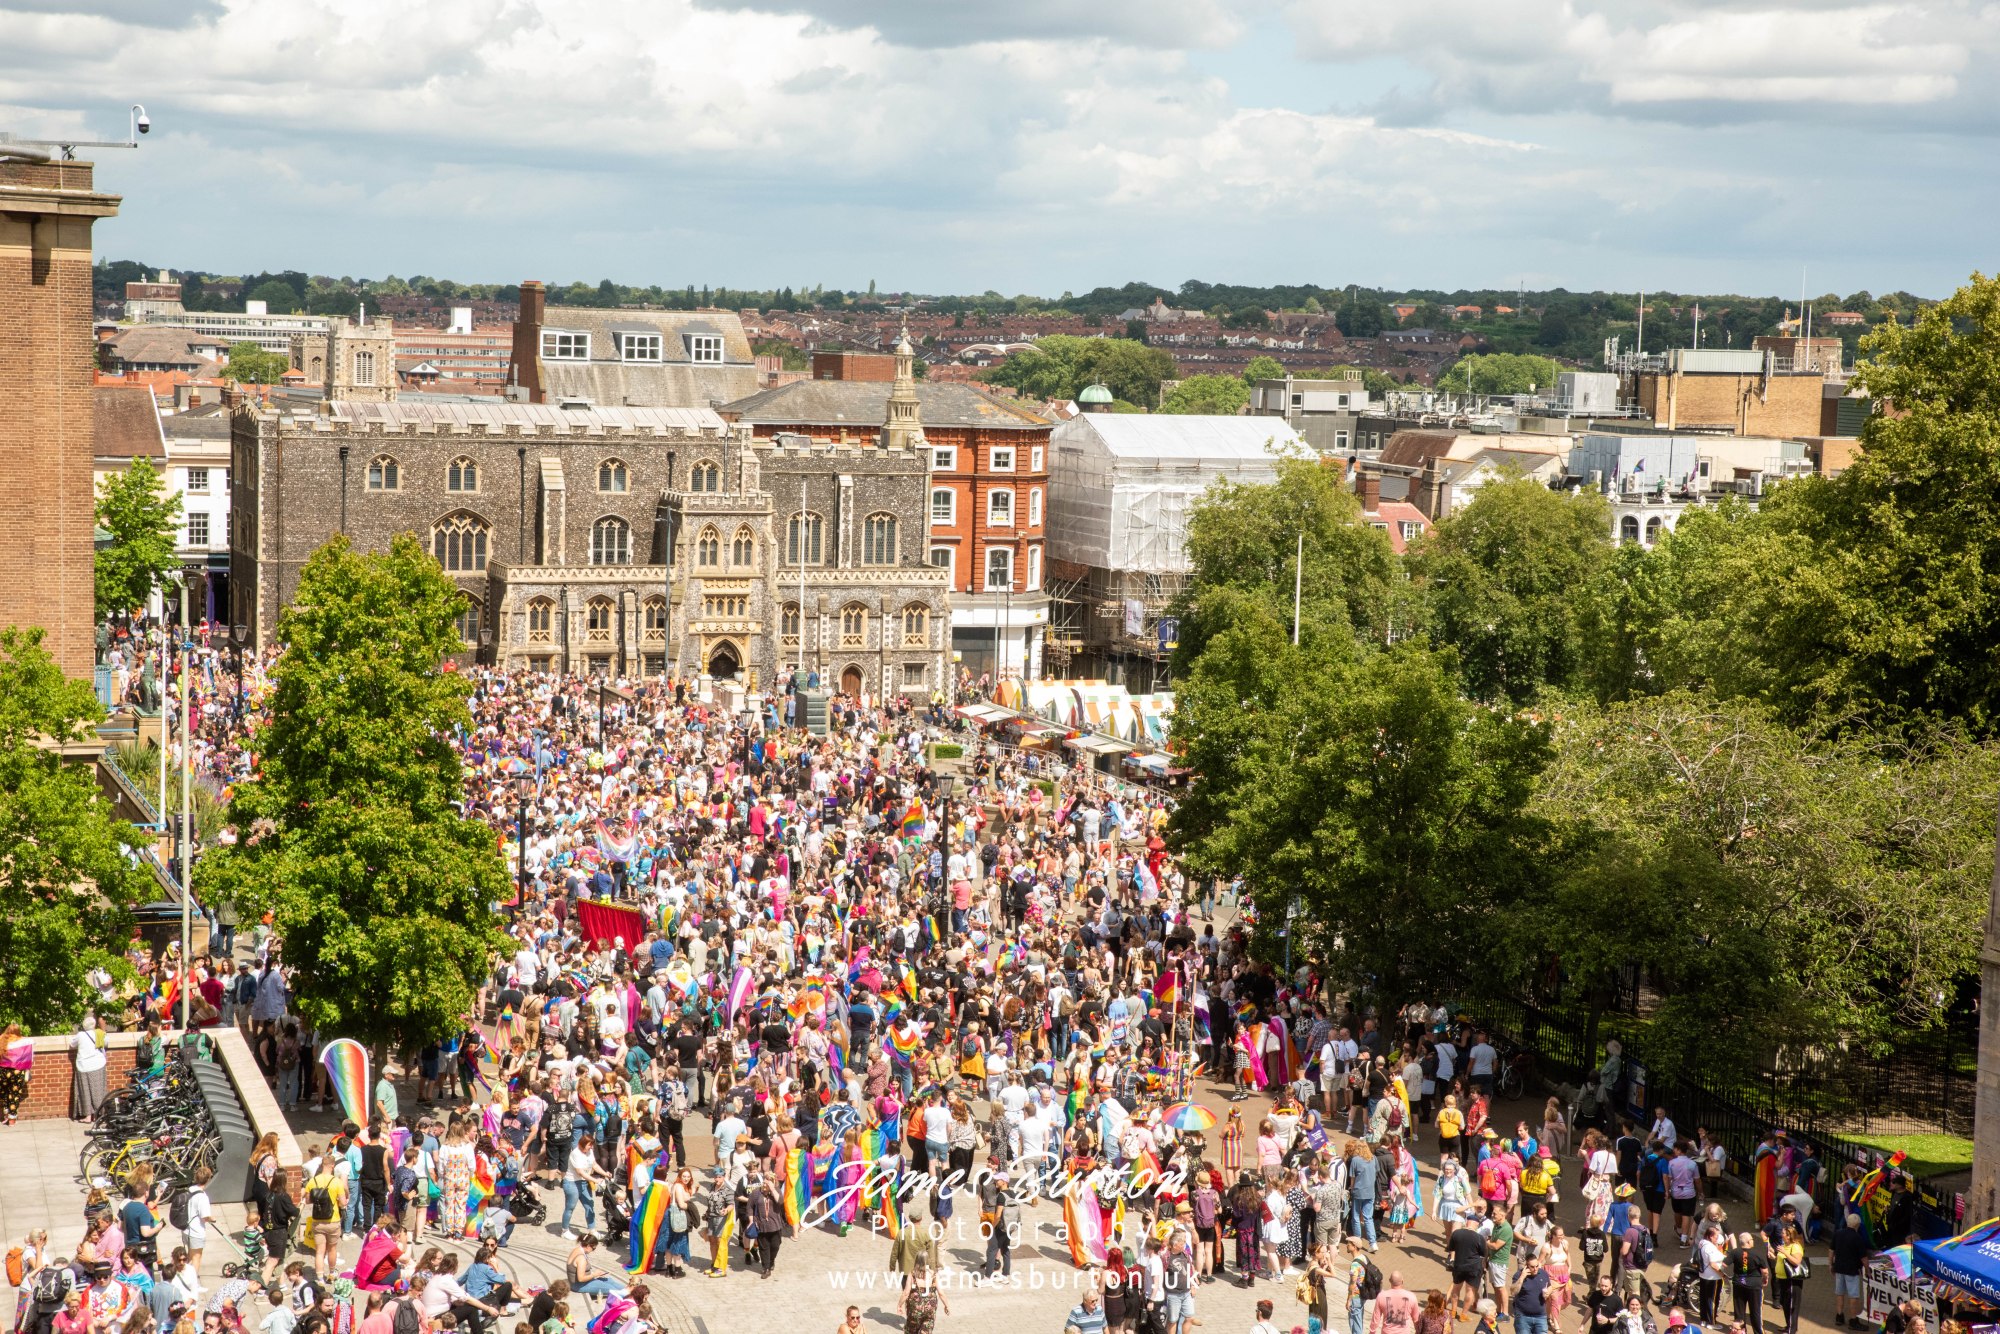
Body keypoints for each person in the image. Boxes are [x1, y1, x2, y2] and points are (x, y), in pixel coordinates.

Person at [1829, 1213, 1866, 1328]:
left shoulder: (1838, 1234)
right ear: (1857, 1225)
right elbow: (1863, 1258)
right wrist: (1867, 1270)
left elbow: (1831, 1250)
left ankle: (1839, 1316)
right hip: (1852, 1270)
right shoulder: (1857, 1238)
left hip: (1839, 1268)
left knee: (1839, 1292)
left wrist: (1830, 1264)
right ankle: (1853, 1320)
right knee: (1853, 1295)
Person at [1726, 1232, 1767, 1334]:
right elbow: (1765, 1271)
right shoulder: (1757, 1254)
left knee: (1739, 1312)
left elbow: (1724, 1264)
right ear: (1748, 1242)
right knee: (1756, 1312)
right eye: (1752, 1239)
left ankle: (1740, 1331)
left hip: (1739, 1284)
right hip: (1754, 1286)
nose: (1753, 1241)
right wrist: (1765, 1279)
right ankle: (1758, 1332)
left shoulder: (1735, 1252)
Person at [70, 1016, 108, 1121]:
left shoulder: (80, 1035)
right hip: (98, 1064)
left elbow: (72, 1044)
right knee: (98, 1090)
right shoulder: (99, 1033)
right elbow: (106, 1043)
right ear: (94, 1025)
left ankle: (88, 1116)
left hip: (84, 1066)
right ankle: (99, 1114)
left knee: (85, 1091)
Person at [895, 1262, 948, 1334]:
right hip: (930, 1309)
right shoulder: (934, 1274)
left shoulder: (913, 1274)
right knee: (926, 1330)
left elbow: (906, 1293)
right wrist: (946, 1305)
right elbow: (941, 1293)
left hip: (915, 1308)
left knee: (911, 1330)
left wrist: (899, 1305)